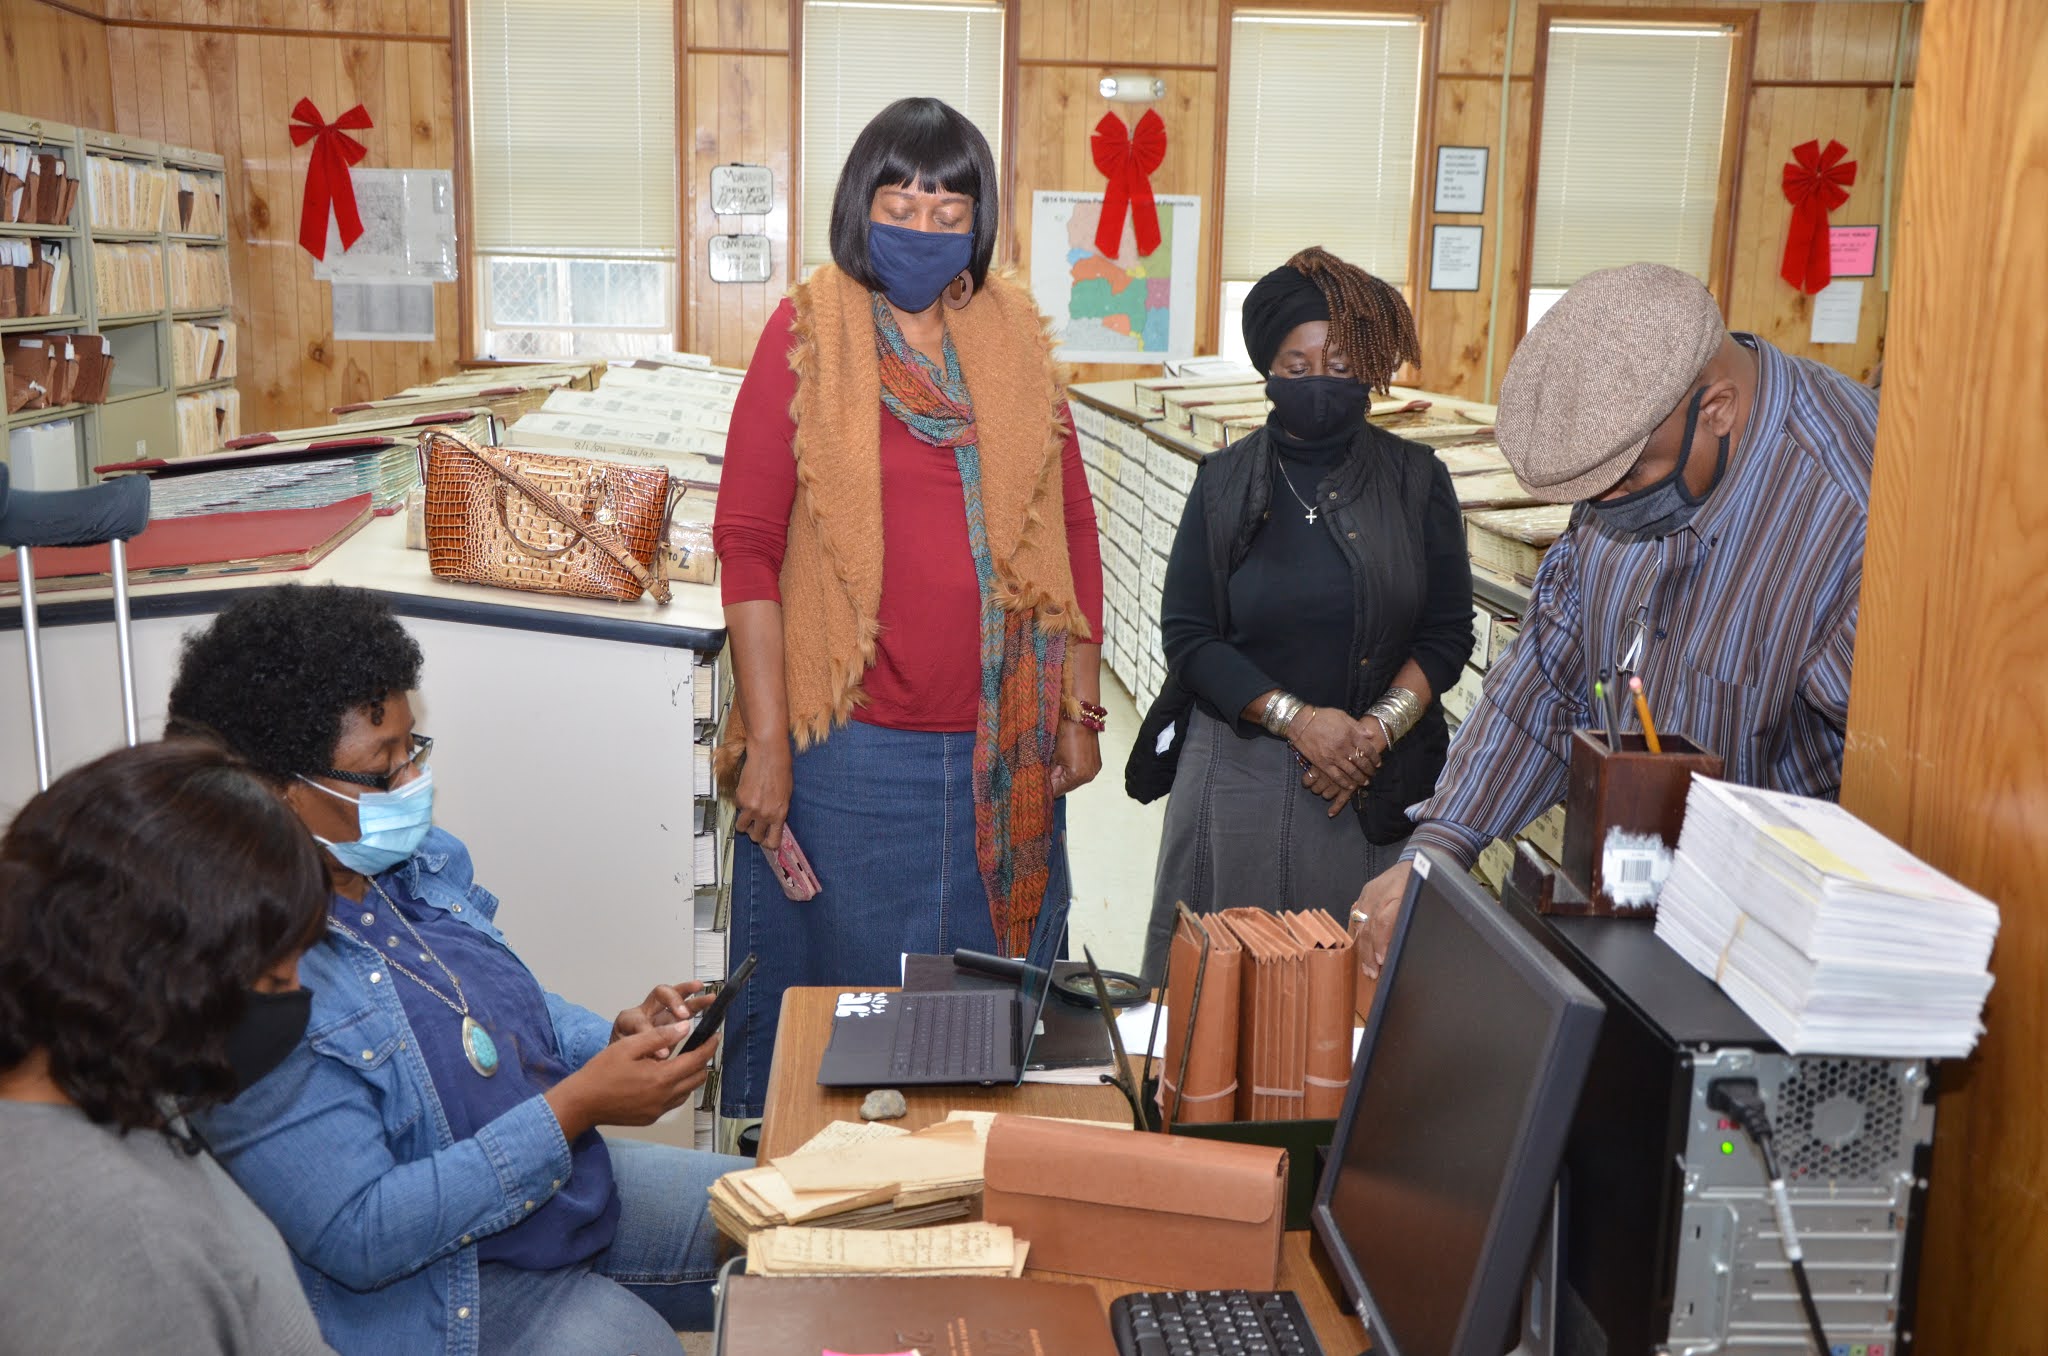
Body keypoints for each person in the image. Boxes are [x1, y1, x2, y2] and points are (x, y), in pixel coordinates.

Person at [165, 585, 752, 1356]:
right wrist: (573, 1109)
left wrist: (602, 1038)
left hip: (554, 1191)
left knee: (787, 1217)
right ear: (275, 790)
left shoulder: (411, 867)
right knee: (637, 1345)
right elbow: (363, 1234)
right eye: (383, 768)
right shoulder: (249, 982)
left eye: (413, 750)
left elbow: (495, 1001)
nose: (412, 782)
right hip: (437, 1281)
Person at [712, 97, 1105, 1122]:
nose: (922, 230)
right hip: (855, 759)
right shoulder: (807, 335)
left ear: (977, 225)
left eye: (947, 210)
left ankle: (964, 1217)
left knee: (978, 1036)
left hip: (1001, 745)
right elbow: (747, 546)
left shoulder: (1012, 336)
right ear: (859, 205)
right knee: (856, 1040)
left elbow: (1067, 522)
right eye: (899, 201)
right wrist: (766, 740)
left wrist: (1079, 703)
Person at [1354, 262, 1877, 929]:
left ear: (1716, 410)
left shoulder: (1852, 515)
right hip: (1632, 899)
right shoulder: (1629, 468)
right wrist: (1438, 848)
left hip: (1776, 934)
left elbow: (1899, 800)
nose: (1605, 511)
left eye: (1627, 482)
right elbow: (1547, 677)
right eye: (1588, 494)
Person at [1137, 247, 1474, 983]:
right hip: (1239, 771)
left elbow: (1447, 632)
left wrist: (1374, 729)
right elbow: (1190, 636)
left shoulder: (1419, 482)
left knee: (1352, 1005)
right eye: (1299, 366)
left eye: (1342, 364)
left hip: (1372, 778)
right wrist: (1299, 720)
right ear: (1268, 372)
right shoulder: (1223, 483)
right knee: (1225, 999)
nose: (1321, 382)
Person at [0, 741, 336, 1355]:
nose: (295, 1001)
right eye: (275, 982)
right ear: (172, 976)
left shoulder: (114, 1093)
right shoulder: (118, 1244)